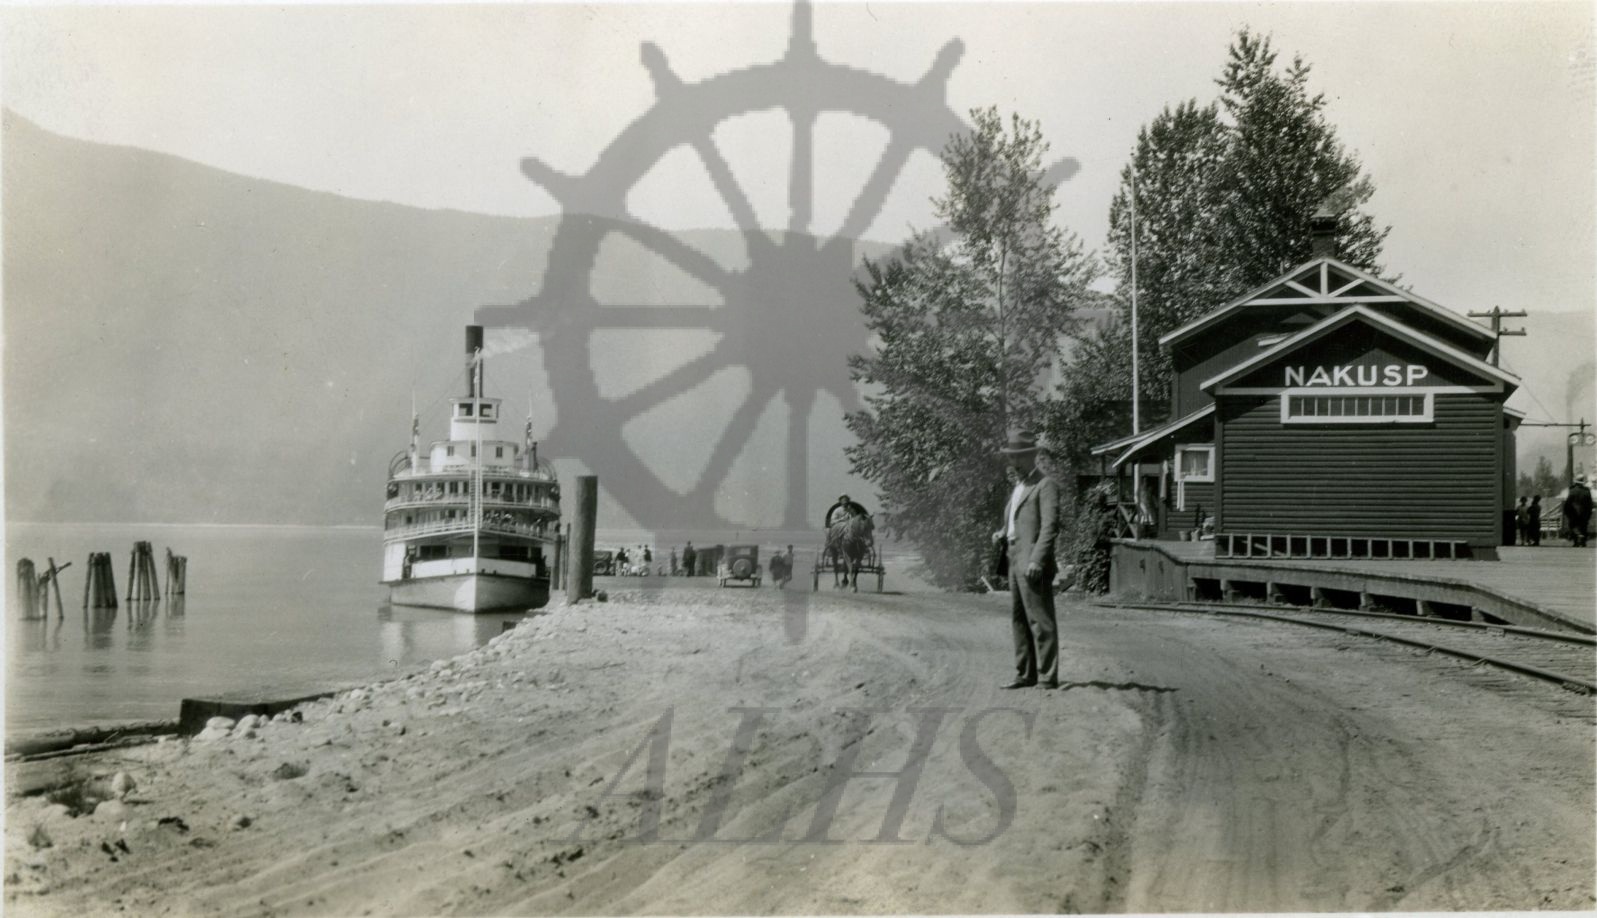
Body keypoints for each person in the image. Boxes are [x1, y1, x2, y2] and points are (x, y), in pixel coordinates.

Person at [990, 429, 1060, 689]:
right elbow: (1016, 523)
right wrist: (1001, 532)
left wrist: (1037, 560)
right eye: (1011, 457)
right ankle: (1025, 674)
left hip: (1031, 561)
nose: (1013, 462)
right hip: (1012, 556)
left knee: (1040, 619)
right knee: (1018, 618)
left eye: (1018, 457)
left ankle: (1047, 676)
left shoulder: (1046, 485)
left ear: (1033, 456)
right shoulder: (1020, 487)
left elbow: (1050, 527)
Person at [1564, 475, 1592, 547]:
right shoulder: (1587, 491)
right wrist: (1589, 513)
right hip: (1584, 512)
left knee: (1573, 526)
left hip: (1573, 512)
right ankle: (1582, 541)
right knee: (1583, 526)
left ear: (1576, 482)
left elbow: (1568, 503)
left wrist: (1567, 512)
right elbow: (1590, 503)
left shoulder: (1572, 490)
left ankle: (1577, 539)